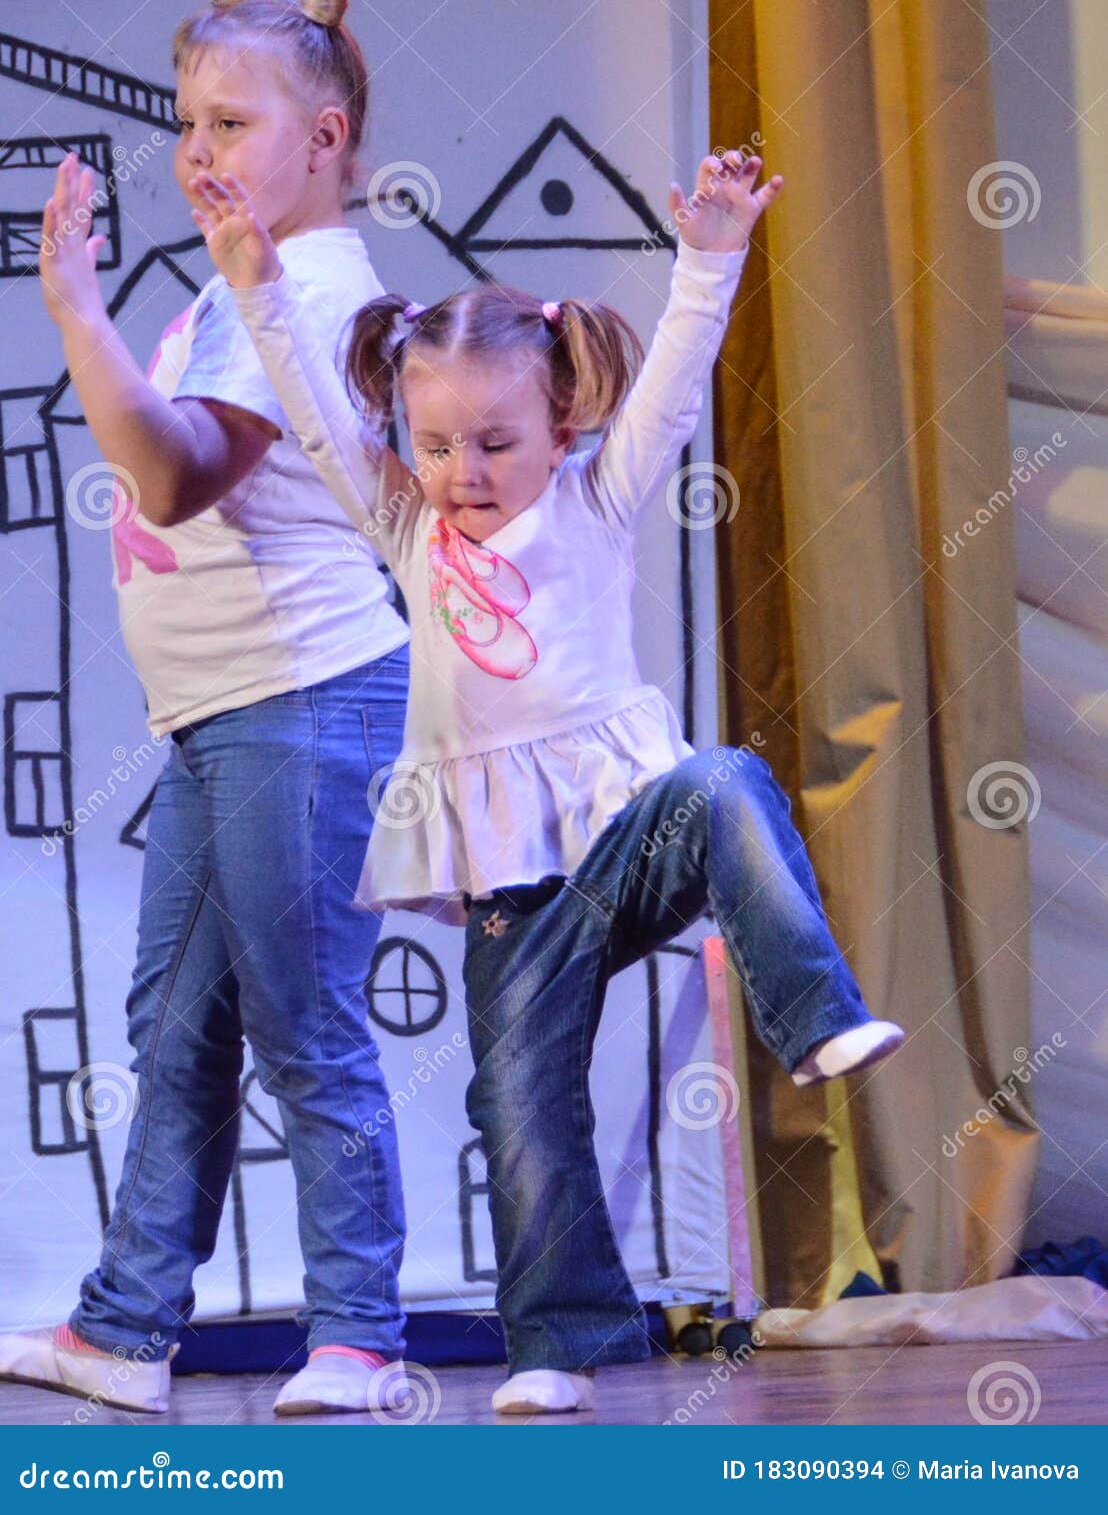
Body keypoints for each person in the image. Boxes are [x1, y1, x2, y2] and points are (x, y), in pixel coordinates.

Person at [187, 147, 904, 1415]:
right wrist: (254, 288)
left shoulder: (597, 497)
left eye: (497, 442)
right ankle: (556, 1341)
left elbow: (676, 385)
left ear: (561, 420)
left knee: (728, 776)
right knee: (518, 1107)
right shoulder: (406, 523)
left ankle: (810, 1015)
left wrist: (715, 248)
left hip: (628, 829)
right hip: (512, 888)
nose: (465, 470)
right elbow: (308, 413)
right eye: (437, 442)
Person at [0, 0, 414, 1418]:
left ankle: (361, 1331)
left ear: (326, 140)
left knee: (307, 1025)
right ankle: (125, 1324)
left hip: (303, 704)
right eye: (189, 121)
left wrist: (73, 308)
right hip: (217, 718)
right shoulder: (241, 284)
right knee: (175, 1027)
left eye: (232, 123)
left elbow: (174, 478)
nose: (197, 151)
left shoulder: (301, 282)